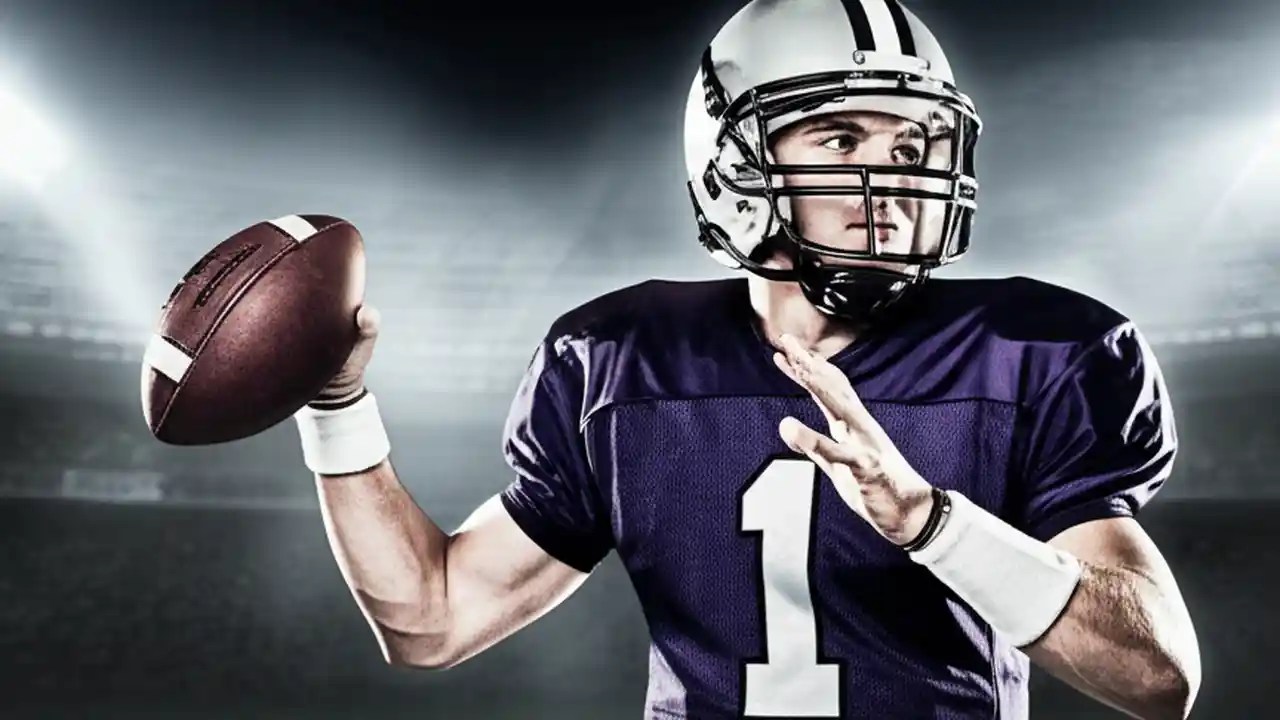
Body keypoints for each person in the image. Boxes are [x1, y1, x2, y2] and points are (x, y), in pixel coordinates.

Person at [291, 0, 1201, 717]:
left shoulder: (1036, 353)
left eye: (912, 143)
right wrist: (336, 405)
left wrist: (932, 523)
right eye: (842, 139)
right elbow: (433, 620)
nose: (891, 178)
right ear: (733, 165)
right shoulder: (617, 360)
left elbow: (1158, 677)